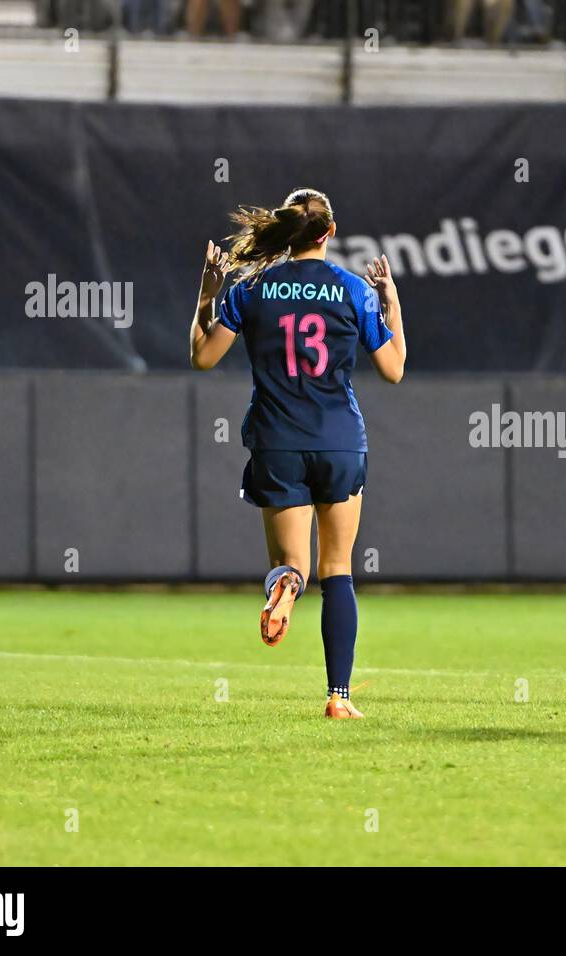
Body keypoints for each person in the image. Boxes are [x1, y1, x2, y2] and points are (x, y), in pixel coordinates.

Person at [189, 187, 407, 719]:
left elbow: (202, 357)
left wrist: (205, 294)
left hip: (276, 440)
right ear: (329, 234)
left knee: (293, 563)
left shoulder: (253, 288)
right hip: (337, 441)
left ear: (286, 233)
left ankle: (285, 585)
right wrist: (392, 301)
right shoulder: (353, 290)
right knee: (338, 571)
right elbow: (394, 367)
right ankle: (338, 698)